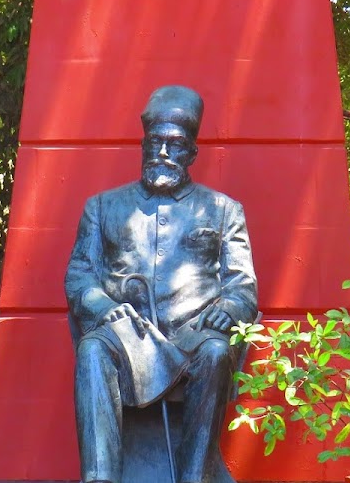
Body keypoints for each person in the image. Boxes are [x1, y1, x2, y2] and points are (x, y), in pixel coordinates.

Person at [65, 85, 258, 483]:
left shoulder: (223, 210)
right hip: (127, 333)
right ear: (143, 145)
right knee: (92, 350)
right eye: (155, 143)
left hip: (193, 334)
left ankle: (194, 476)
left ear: (191, 153)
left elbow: (243, 287)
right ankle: (100, 478)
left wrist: (230, 307)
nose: (164, 153)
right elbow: (80, 274)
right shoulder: (103, 207)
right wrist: (102, 306)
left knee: (217, 352)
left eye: (175, 144)